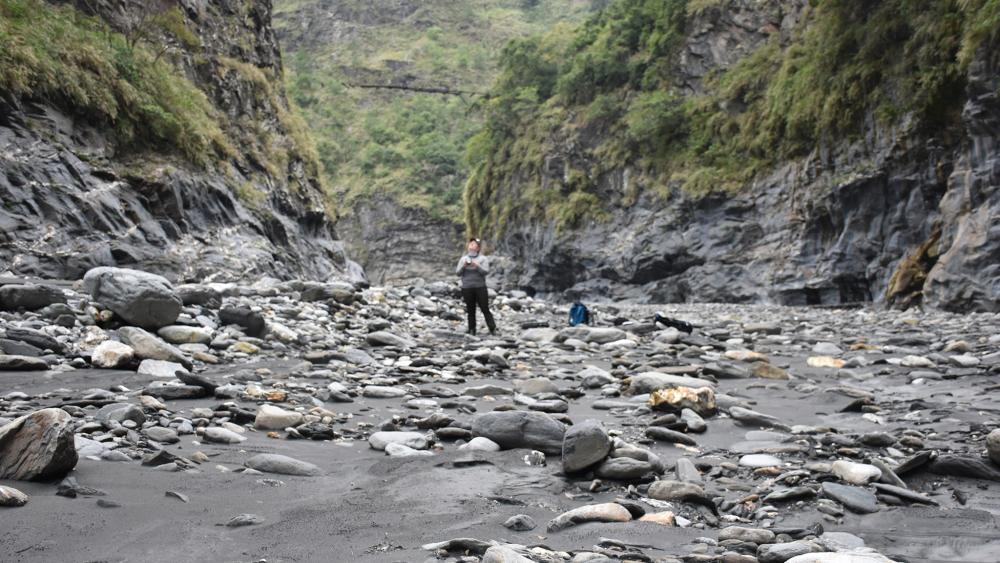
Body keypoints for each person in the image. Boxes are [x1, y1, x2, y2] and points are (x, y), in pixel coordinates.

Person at [455, 238, 497, 336]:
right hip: (467, 287)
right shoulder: (463, 259)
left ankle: (492, 328)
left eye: (474, 244)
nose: (471, 245)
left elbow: (485, 272)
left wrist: (477, 265)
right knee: (470, 310)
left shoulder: (483, 259)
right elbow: (458, 273)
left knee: (485, 308)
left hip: (480, 287)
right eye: (470, 244)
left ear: (478, 248)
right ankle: (472, 329)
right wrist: (464, 266)